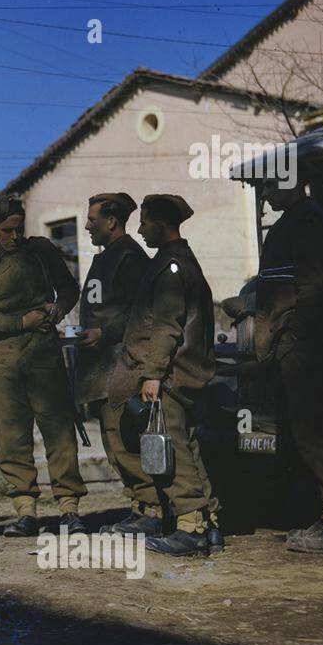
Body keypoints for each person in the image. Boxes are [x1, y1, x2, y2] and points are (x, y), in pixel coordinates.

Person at [244, 180, 323, 554]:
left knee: (315, 428)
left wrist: (293, 329)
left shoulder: (306, 221)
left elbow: (317, 286)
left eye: (269, 187)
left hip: (303, 344)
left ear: (291, 183)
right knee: (302, 429)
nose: (264, 195)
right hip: (292, 342)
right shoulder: (294, 220)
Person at [107, 195, 221, 557]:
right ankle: (209, 525)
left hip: (171, 375)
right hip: (181, 373)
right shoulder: (177, 261)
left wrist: (153, 374)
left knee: (173, 452)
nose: (139, 230)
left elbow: (167, 327)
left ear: (160, 223)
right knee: (187, 447)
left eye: (144, 222)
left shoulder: (171, 265)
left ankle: (189, 528)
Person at [0, 192, 86, 536]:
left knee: (59, 432)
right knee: (12, 438)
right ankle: (26, 511)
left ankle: (68, 508)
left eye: (19, 228)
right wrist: (21, 322)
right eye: (7, 230)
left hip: (44, 354)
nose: (15, 236)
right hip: (2, 361)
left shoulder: (42, 251)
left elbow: (68, 289)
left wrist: (56, 309)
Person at [75, 193, 157, 535]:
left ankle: (151, 510)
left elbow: (144, 312)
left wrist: (104, 332)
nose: (87, 225)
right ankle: (140, 508)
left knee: (126, 441)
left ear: (111, 221)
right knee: (114, 441)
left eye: (93, 219)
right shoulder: (106, 257)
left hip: (121, 366)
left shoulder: (129, 257)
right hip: (102, 368)